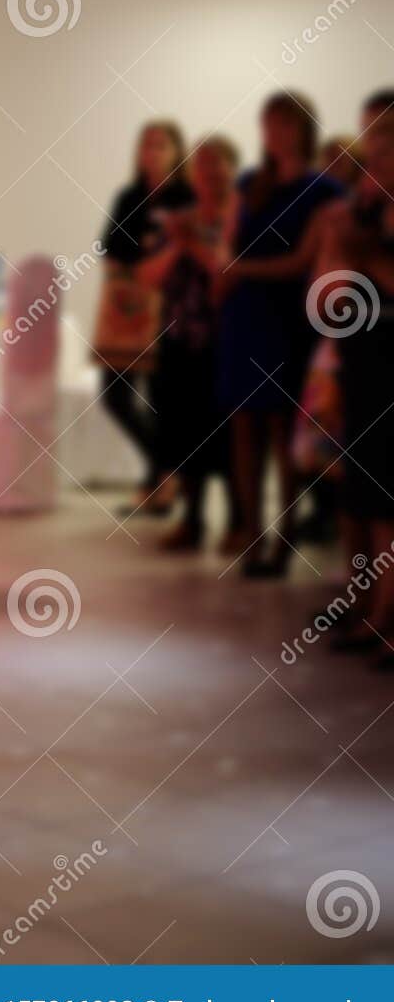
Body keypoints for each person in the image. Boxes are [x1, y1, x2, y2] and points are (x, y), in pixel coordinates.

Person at [216, 92, 342, 578]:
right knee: (244, 427)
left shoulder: (324, 190)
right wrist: (230, 268)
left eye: (284, 124)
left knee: (281, 429)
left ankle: (286, 534)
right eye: (268, 124)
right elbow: (230, 238)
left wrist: (239, 268)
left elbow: (301, 261)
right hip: (245, 316)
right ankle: (251, 532)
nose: (274, 133)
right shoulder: (251, 181)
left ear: (303, 129)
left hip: (286, 316)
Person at [316, 89, 394, 663]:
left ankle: (387, 619)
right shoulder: (363, 203)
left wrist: (366, 260)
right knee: (358, 490)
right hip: (359, 356)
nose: (376, 147)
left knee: (388, 497)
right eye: (371, 133)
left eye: (386, 134)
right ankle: (364, 605)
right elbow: (334, 291)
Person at [137, 135, 238, 552]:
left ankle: (240, 522)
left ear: (233, 169)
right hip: (179, 339)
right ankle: (192, 521)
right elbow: (147, 276)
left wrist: (191, 243)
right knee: (184, 433)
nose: (209, 172)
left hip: (228, 341)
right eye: (202, 165)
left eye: (218, 164)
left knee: (229, 438)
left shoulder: (239, 217)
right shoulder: (180, 218)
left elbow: (223, 272)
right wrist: (178, 243)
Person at [96, 120, 194, 517]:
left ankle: (158, 480)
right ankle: (168, 471)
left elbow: (183, 251)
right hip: (126, 310)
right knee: (114, 394)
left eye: (161, 145)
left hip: (170, 309)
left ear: (177, 151)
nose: (152, 152)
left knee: (160, 400)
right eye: (146, 144)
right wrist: (143, 255)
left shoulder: (185, 197)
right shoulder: (129, 196)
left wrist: (149, 256)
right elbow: (110, 246)